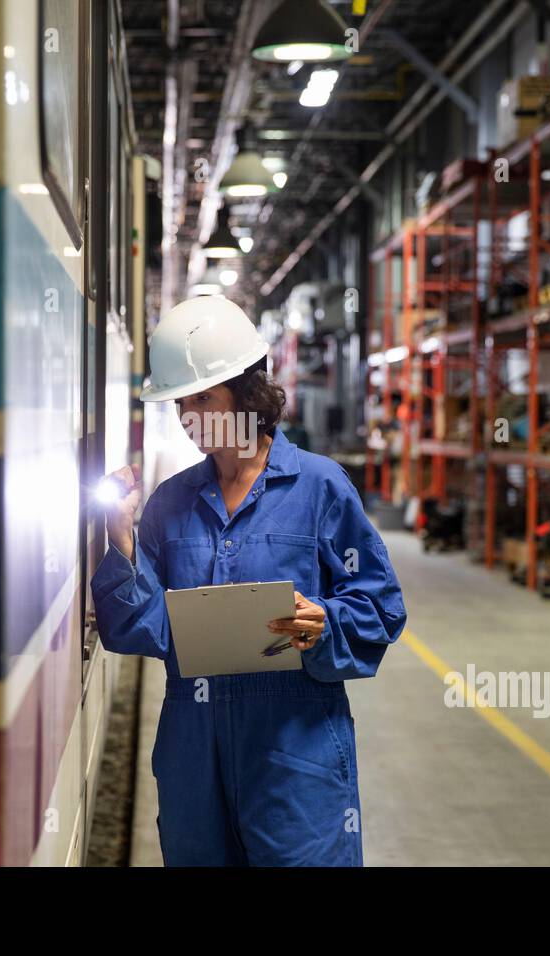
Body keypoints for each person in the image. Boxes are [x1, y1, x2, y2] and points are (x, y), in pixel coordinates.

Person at [92, 296, 407, 867]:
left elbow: (380, 608)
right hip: (194, 755)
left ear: (248, 394)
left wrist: (326, 624)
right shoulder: (169, 504)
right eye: (182, 403)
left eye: (204, 397)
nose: (191, 416)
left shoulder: (320, 489)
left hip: (296, 758)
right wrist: (121, 538)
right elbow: (139, 628)